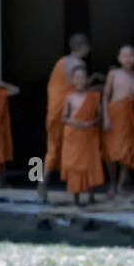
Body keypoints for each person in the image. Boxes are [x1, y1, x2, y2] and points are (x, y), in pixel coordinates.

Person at [38, 33, 90, 202]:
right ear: (85, 47)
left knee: (52, 148)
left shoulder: (60, 62)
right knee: (73, 150)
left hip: (53, 111)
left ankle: (42, 184)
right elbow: (79, 86)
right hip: (69, 112)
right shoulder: (79, 64)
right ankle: (74, 189)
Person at [61, 65, 104, 206]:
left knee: (90, 166)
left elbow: (99, 116)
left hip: (88, 135)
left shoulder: (94, 96)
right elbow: (64, 118)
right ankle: (76, 199)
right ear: (72, 80)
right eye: (77, 77)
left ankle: (91, 197)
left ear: (87, 80)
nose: (80, 80)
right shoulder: (69, 97)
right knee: (75, 168)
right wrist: (72, 121)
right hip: (74, 137)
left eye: (83, 77)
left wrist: (91, 122)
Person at [102, 45, 134, 197]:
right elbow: (106, 96)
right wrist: (105, 117)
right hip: (114, 116)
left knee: (127, 152)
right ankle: (112, 183)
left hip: (129, 118)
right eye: (124, 55)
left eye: (131, 55)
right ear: (119, 58)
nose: (127, 59)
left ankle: (120, 185)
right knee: (111, 152)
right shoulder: (114, 74)